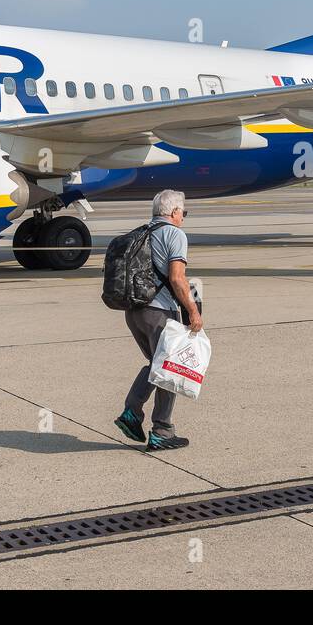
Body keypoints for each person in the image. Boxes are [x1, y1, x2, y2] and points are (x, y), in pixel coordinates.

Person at [114, 190, 203, 451]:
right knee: (170, 369)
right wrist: (193, 312)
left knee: (158, 364)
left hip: (134, 311)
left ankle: (134, 414)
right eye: (183, 213)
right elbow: (177, 278)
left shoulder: (141, 232)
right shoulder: (175, 234)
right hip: (159, 311)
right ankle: (159, 429)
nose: (183, 218)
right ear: (174, 212)